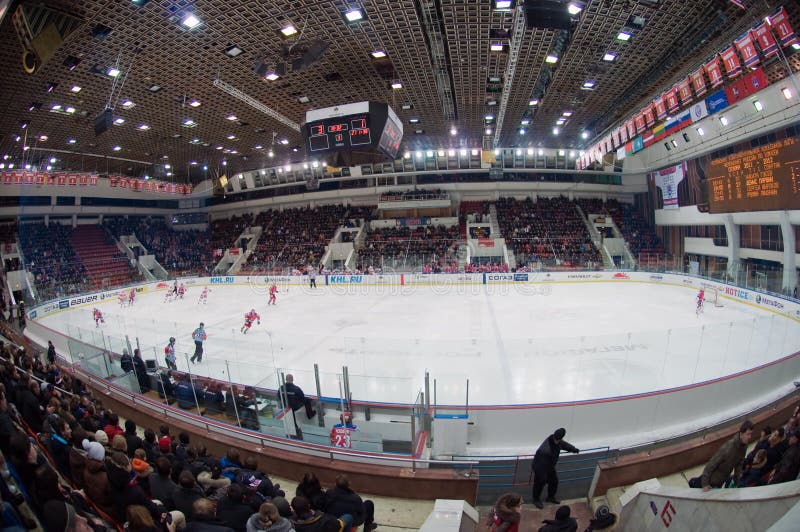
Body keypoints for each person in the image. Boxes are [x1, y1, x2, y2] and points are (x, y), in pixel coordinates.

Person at [695, 419, 753, 491]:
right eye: (748, 434)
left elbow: (739, 466)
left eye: (751, 434)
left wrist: (736, 483)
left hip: (719, 482)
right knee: (694, 484)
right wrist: (705, 484)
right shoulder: (729, 447)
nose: (750, 437)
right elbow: (711, 464)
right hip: (709, 482)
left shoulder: (744, 447)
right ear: (741, 434)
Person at [531, 428, 579, 509]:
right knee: (539, 484)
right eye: (556, 440)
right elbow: (539, 464)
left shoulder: (558, 440)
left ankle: (550, 497)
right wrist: (543, 477)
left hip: (549, 466)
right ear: (554, 437)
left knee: (554, 482)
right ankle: (536, 499)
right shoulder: (545, 449)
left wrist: (573, 449)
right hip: (540, 467)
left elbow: (564, 445)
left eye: (559, 440)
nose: (557, 441)